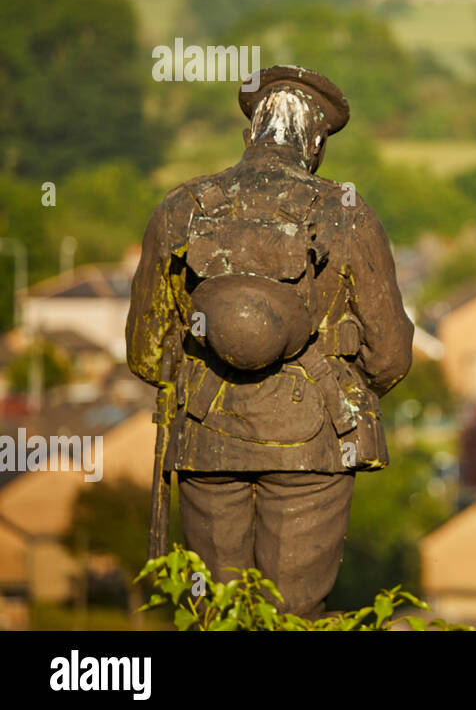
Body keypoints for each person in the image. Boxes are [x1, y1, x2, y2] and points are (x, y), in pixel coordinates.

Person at [126, 65, 413, 617]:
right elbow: (390, 355)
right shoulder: (344, 211)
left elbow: (144, 350)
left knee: (216, 611)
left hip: (207, 437)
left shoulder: (180, 207)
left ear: (250, 133)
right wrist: (343, 388)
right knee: (293, 613)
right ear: (316, 143)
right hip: (314, 443)